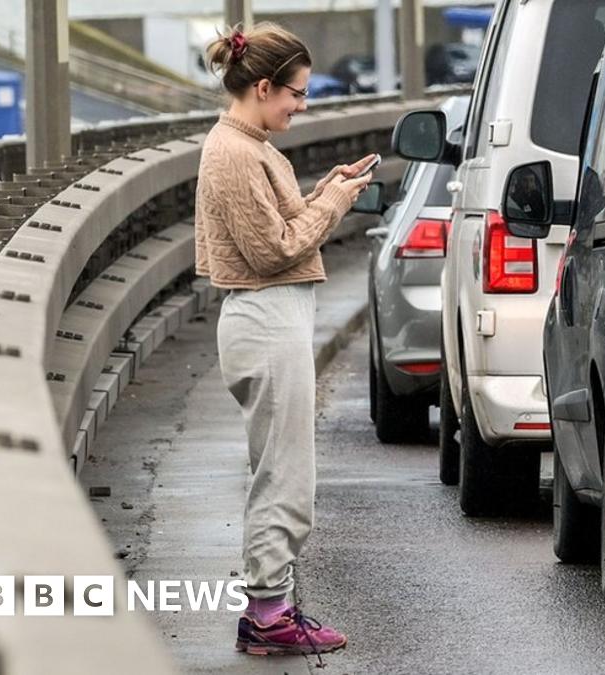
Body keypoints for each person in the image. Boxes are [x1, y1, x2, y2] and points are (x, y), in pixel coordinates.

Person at [195, 22, 374, 657]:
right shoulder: (235, 153)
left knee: (284, 469)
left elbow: (281, 222)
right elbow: (272, 251)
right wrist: (336, 207)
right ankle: (267, 615)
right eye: (295, 94)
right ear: (264, 86)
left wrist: (328, 189)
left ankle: (272, 606)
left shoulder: (253, 145)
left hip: (272, 320)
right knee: (283, 474)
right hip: (266, 319)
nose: (301, 105)